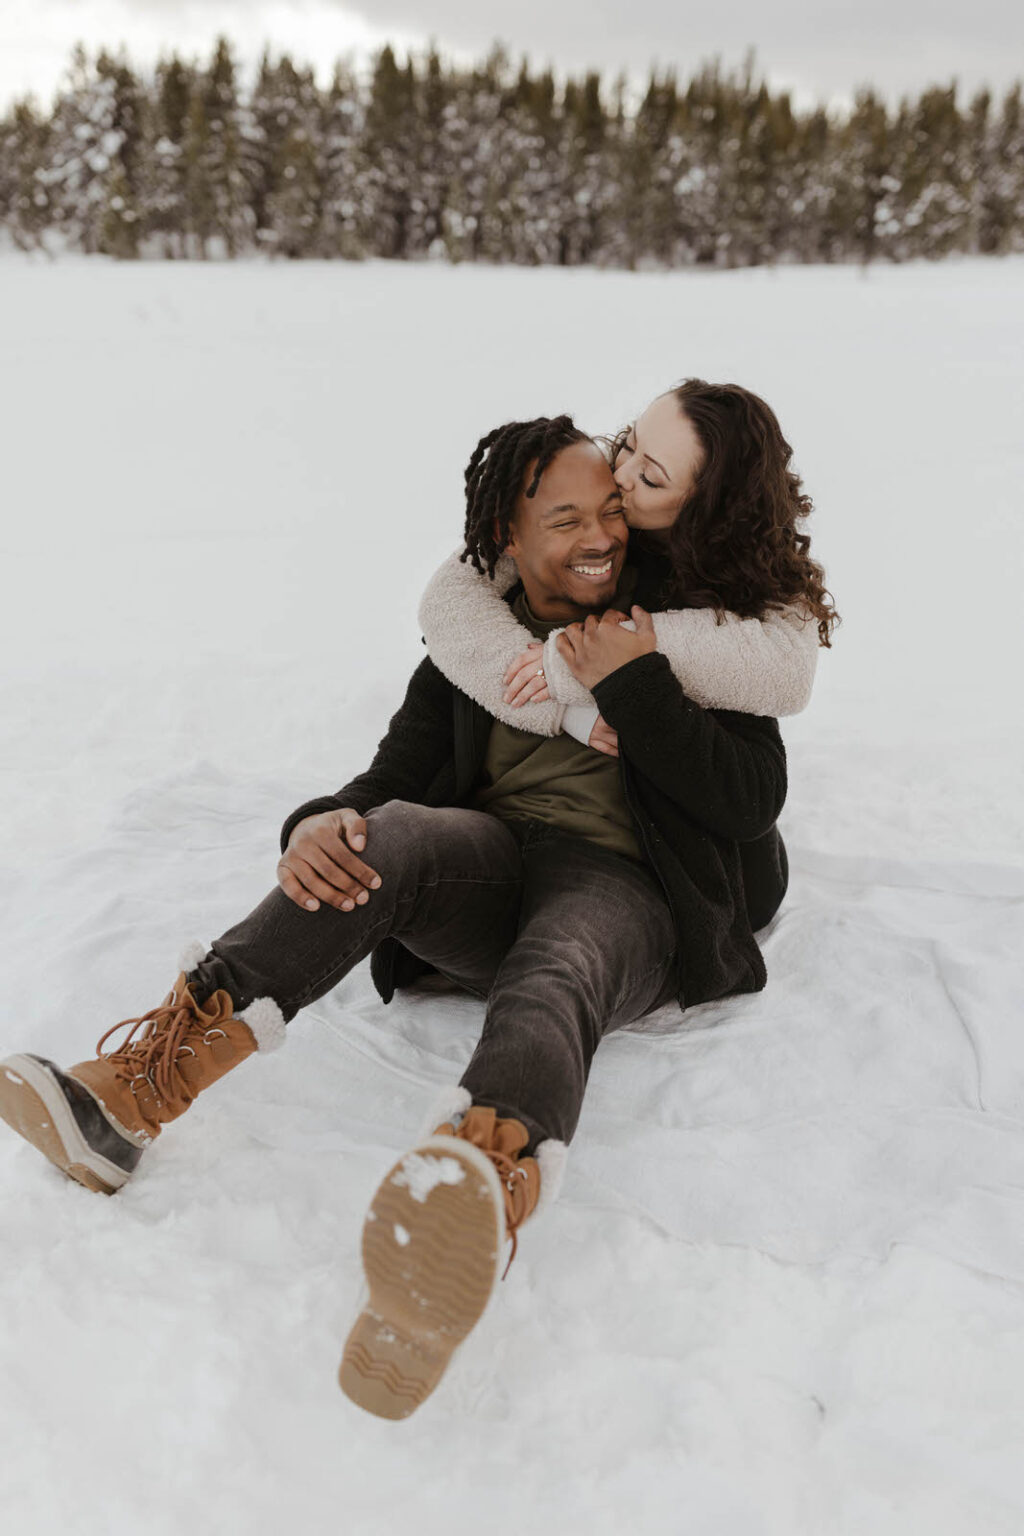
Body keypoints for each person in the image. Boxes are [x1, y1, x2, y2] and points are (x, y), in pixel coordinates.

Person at [0, 411, 814, 1424]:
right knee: (381, 834)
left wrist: (632, 678)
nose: (599, 535)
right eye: (563, 520)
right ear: (505, 545)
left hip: (632, 890)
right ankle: (133, 1091)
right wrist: (316, 823)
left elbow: (747, 800)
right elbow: (389, 778)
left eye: (609, 509)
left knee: (555, 970)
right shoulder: (472, 647)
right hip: (495, 867)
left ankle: (473, 1192)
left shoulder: (674, 631)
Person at [418, 379, 837, 757]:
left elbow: (788, 670)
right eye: (630, 444)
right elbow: (450, 599)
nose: (618, 475)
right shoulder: (594, 488)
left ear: (710, 512)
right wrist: (560, 701)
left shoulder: (752, 565)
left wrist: (601, 655)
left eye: (651, 479)